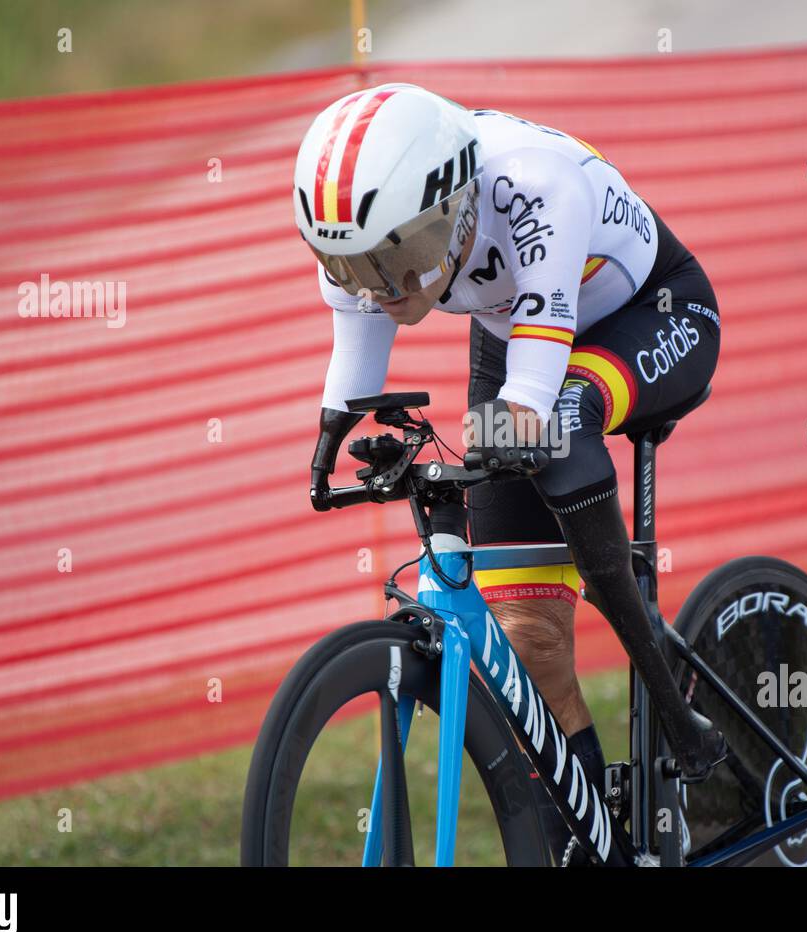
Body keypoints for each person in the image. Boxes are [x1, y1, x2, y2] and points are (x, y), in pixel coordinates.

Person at [295, 83, 726, 857]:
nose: (377, 287)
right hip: (519, 330)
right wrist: (331, 445)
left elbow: (534, 384)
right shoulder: (369, 228)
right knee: (527, 638)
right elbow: (356, 356)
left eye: (394, 260)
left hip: (653, 312)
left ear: (450, 210)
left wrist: (511, 427)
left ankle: (674, 706)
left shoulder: (532, 183)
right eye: (352, 264)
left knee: (554, 421)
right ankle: (588, 848)